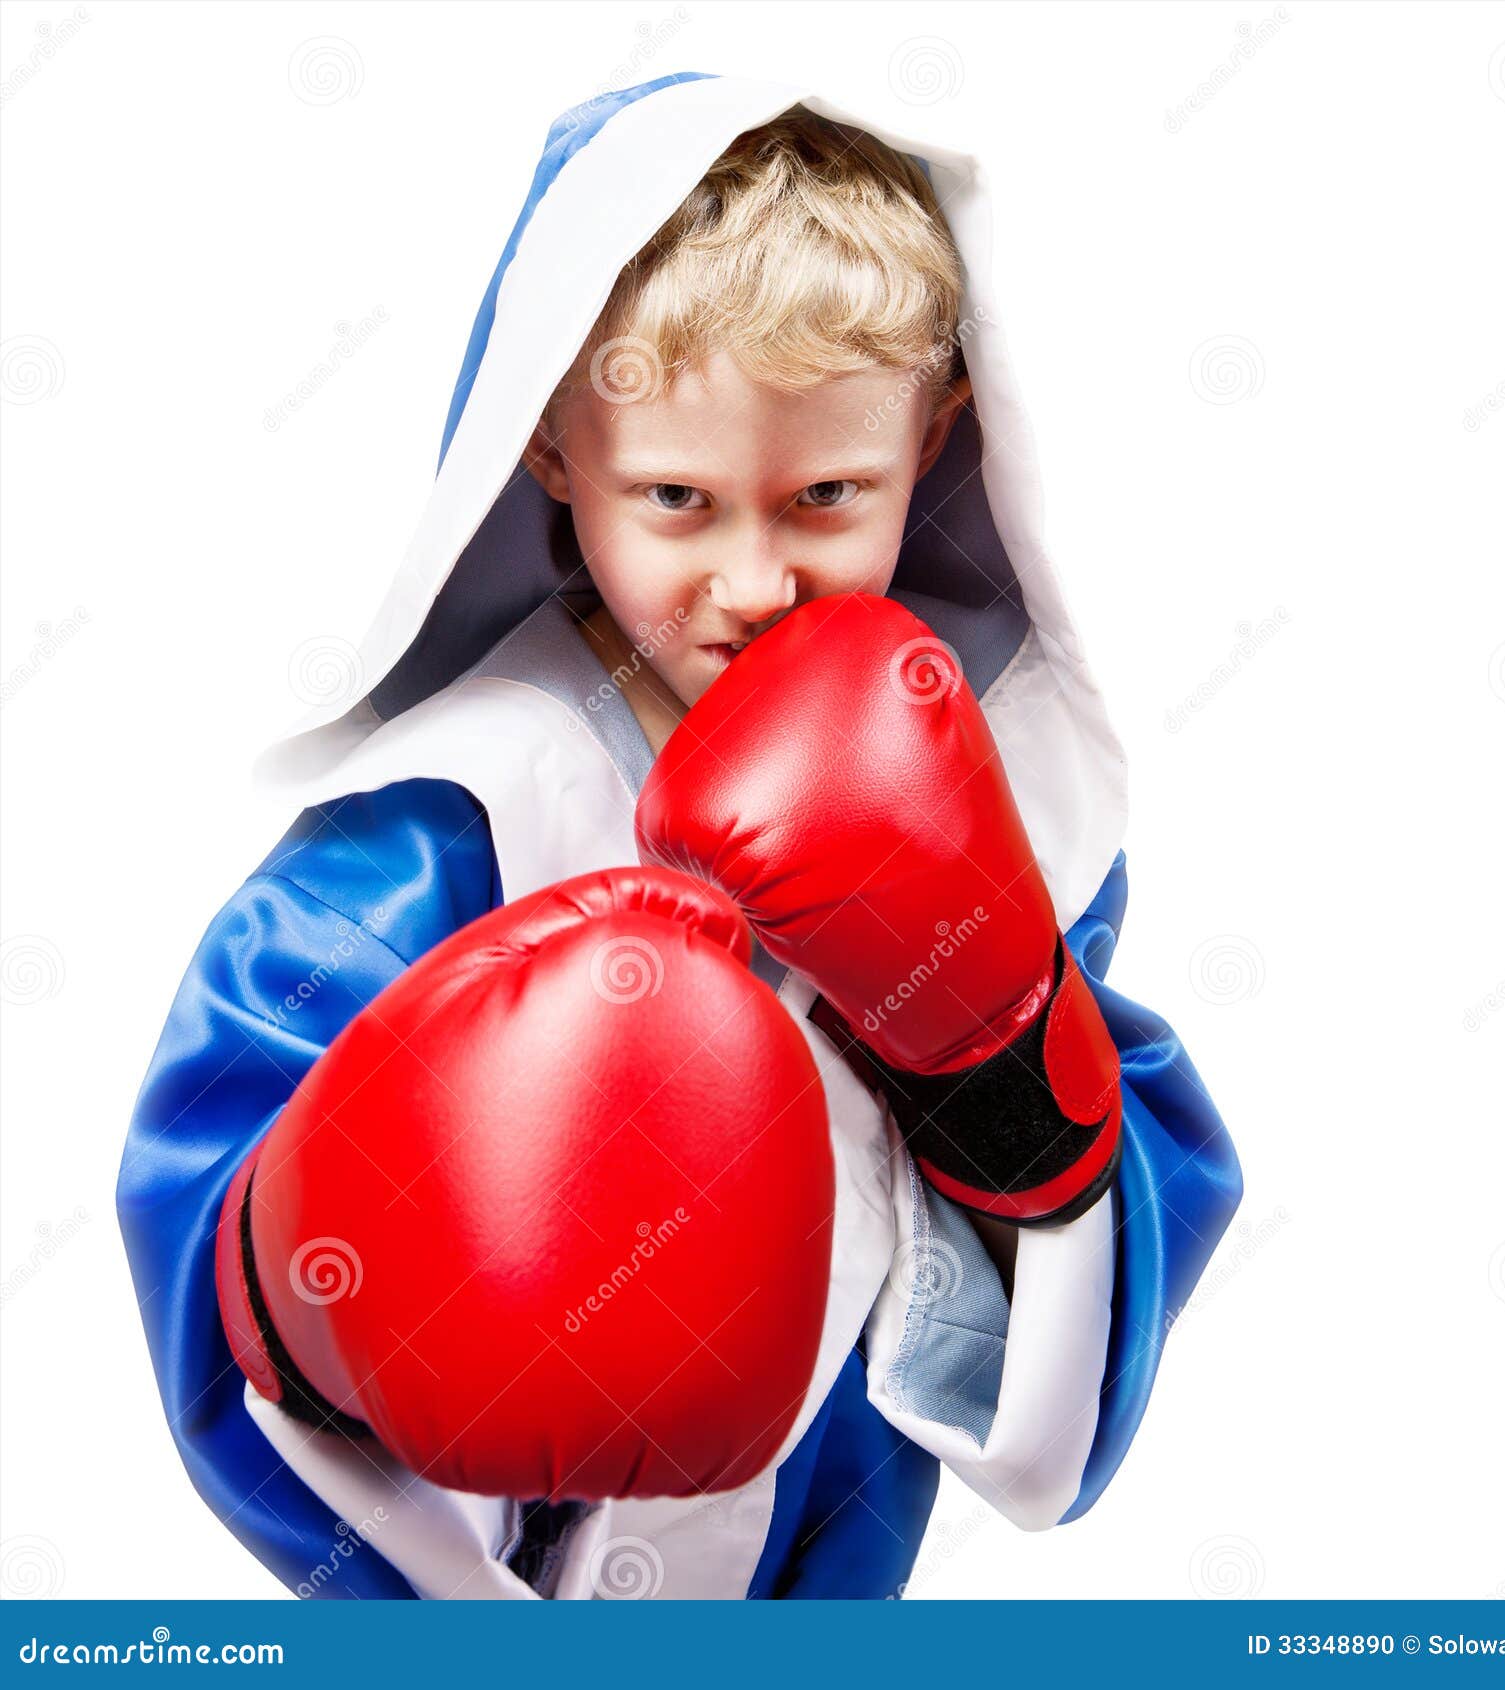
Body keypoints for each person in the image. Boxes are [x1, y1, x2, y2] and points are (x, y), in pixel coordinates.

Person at [116, 74, 1242, 1601]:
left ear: (938, 440)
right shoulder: (454, 817)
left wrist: (995, 1074)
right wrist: (315, 1288)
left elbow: (1109, 1223)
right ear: (549, 456)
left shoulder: (1004, 795)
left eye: (828, 495)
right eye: (676, 499)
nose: (753, 578)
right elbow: (206, 1189)